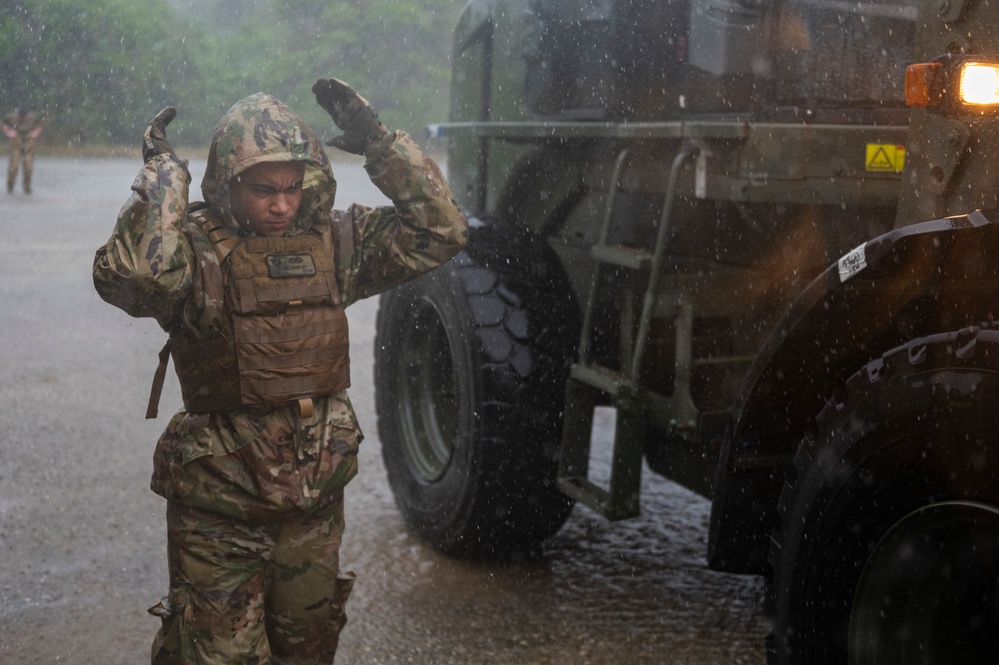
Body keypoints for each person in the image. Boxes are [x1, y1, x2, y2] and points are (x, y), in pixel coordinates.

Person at [92, 79, 468, 664]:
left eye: (294, 188)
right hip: (220, 509)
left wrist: (380, 145)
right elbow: (139, 279)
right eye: (263, 189)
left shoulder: (337, 243)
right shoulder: (191, 252)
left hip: (313, 503)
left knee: (309, 651)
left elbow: (442, 230)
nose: (282, 205)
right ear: (227, 184)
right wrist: (165, 181)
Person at [3, 107, 44, 194]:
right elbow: (3, 122)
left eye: (24, 116)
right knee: (14, 165)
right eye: (21, 116)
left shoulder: (33, 117)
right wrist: (8, 132)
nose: (23, 118)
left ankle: (27, 187)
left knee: (28, 166)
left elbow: (41, 124)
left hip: (28, 142)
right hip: (16, 142)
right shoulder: (12, 117)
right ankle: (10, 186)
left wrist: (35, 133)